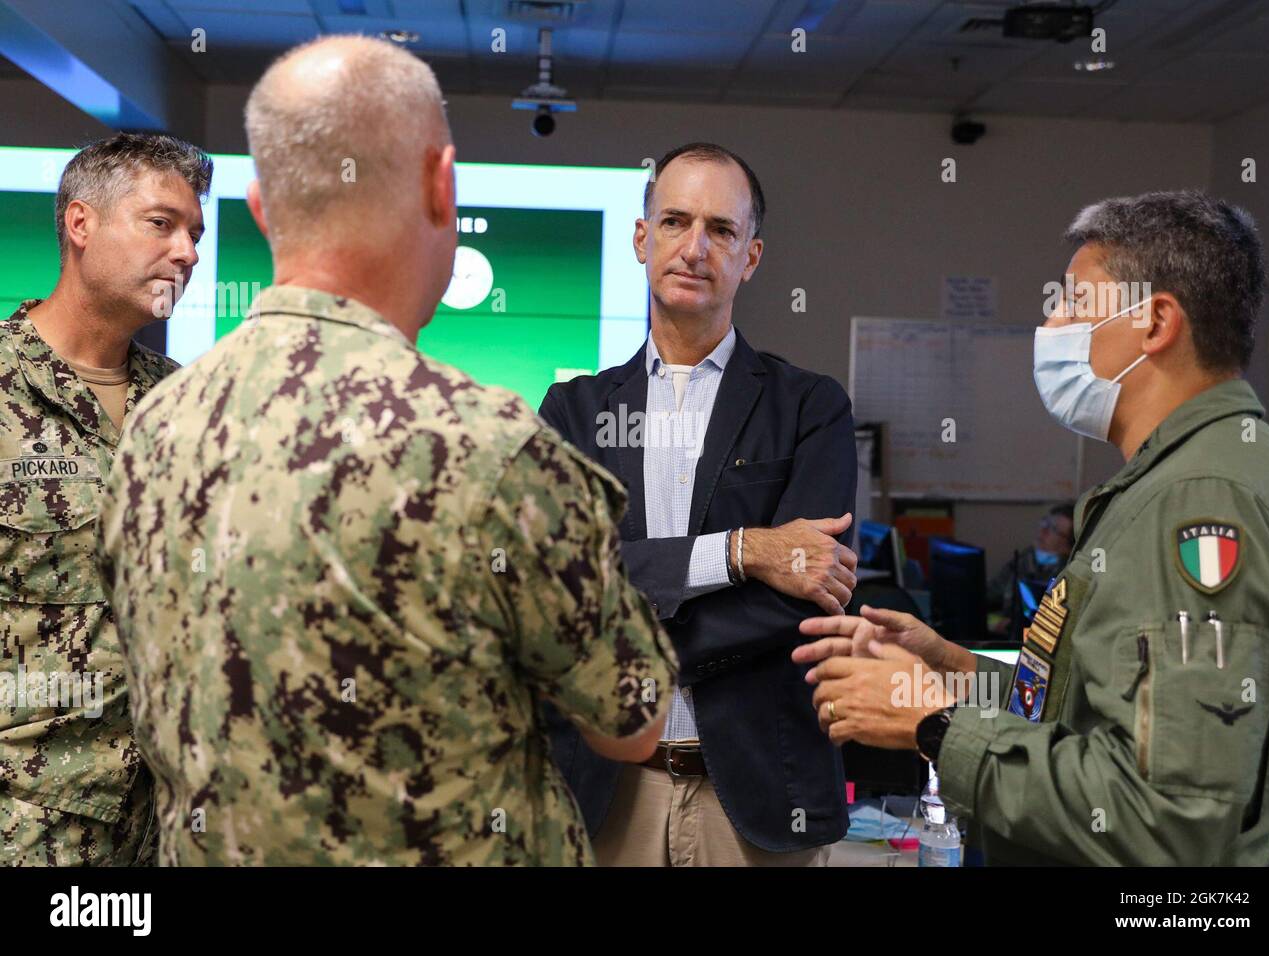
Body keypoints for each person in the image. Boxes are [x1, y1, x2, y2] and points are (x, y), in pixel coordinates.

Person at [97, 35, 675, 866]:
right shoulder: (495, 450)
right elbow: (634, 719)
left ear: (260, 207)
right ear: (441, 186)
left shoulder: (150, 428)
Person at [796, 190, 1269, 865]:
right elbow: (1088, 716)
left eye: (1073, 304)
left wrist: (934, 725)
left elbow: (1169, 817)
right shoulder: (1174, 479)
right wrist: (947, 670)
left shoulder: (1199, 502)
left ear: (1155, 323)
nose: (1053, 324)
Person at [540, 142, 857, 866]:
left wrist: (625, 615)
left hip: (753, 795)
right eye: (676, 221)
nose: (695, 248)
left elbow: (804, 601)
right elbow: (558, 585)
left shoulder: (809, 407)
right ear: (641, 239)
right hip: (608, 791)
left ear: (751, 256)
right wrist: (743, 551)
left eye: (721, 229)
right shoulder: (573, 412)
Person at [0, 132, 210, 865]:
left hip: (164, 826)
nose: (186, 251)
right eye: (162, 224)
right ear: (80, 224)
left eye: (195, 233)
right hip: (27, 825)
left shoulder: (186, 402)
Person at [986, 503, 1074, 632]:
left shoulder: (1068, 575)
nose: (1043, 531)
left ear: (1069, 544)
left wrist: (1011, 626)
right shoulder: (1026, 558)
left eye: (1053, 529)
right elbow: (991, 593)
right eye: (1045, 523)